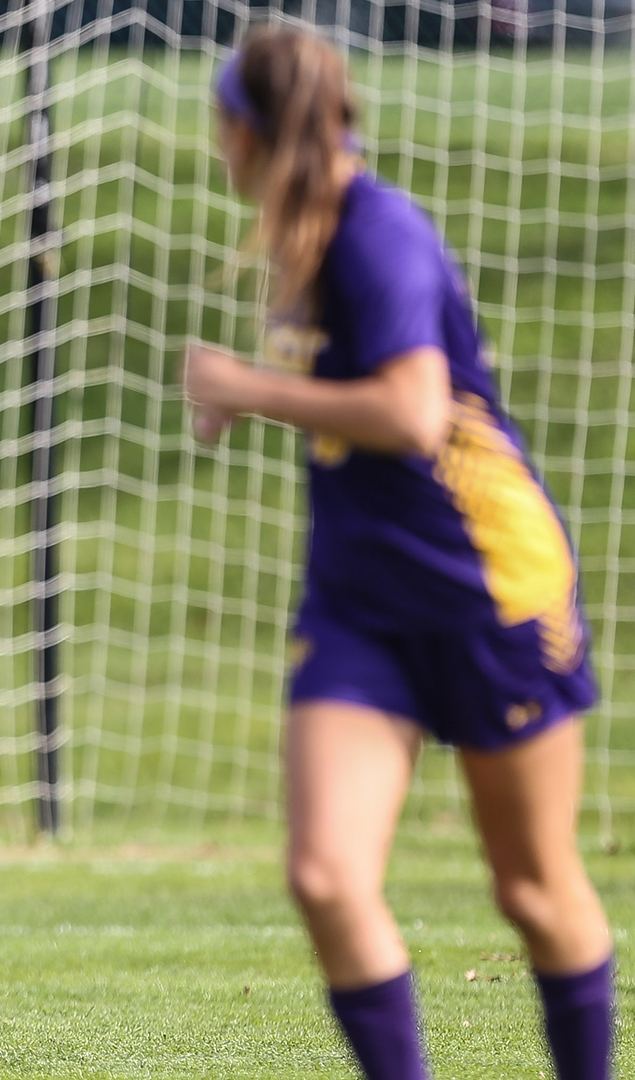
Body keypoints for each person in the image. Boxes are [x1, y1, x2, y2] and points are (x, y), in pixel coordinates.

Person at [183, 27, 613, 1080]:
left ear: (250, 129)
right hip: (361, 604)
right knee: (329, 878)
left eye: (221, 121)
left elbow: (416, 414)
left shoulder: (380, 234)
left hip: (486, 588)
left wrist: (249, 390)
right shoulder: (304, 239)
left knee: (532, 888)